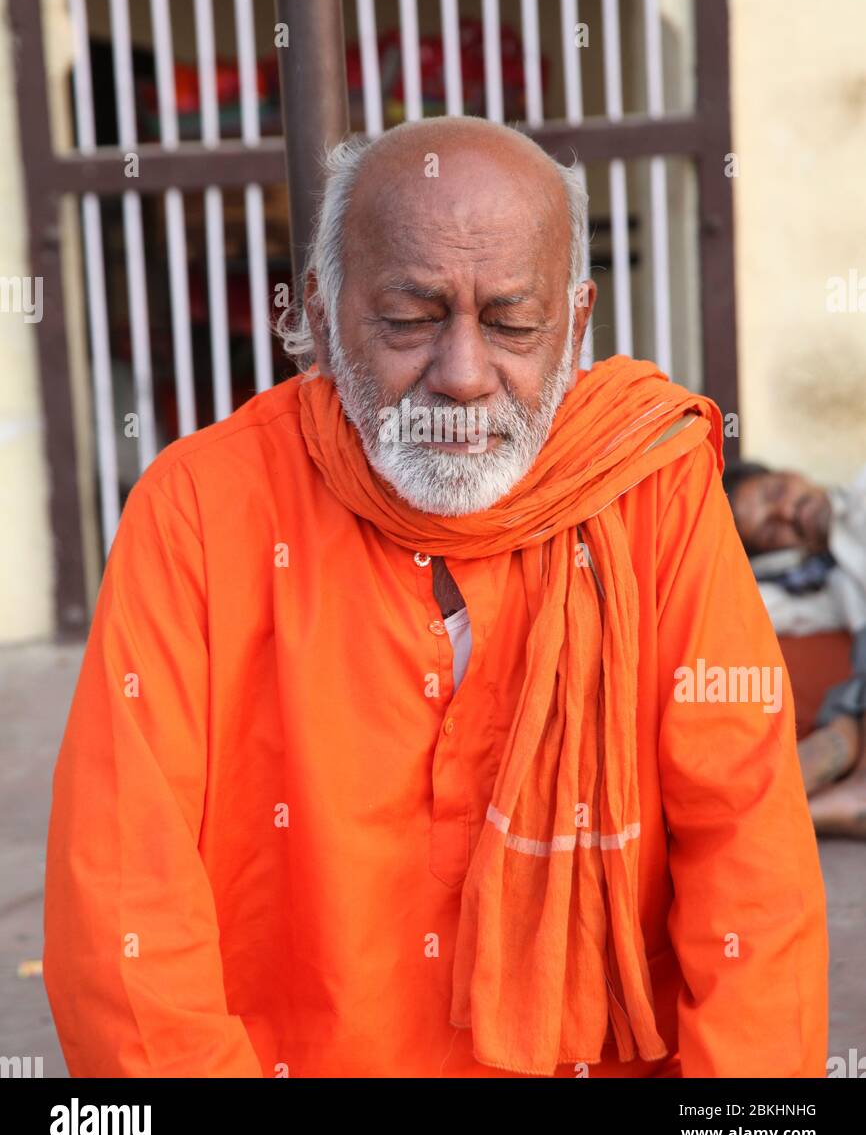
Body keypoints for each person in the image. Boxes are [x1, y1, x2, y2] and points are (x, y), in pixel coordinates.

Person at [43, 116, 827, 1079]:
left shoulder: (650, 488)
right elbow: (126, 899)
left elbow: (748, 849)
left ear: (576, 325)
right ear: (322, 320)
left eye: (511, 324)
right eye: (412, 321)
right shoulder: (201, 509)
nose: (462, 376)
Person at [724, 460, 866, 837]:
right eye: (772, 531)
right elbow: (743, 609)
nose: (788, 512)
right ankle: (765, 810)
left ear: (791, 472)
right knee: (843, 715)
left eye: (775, 493)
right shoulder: (827, 580)